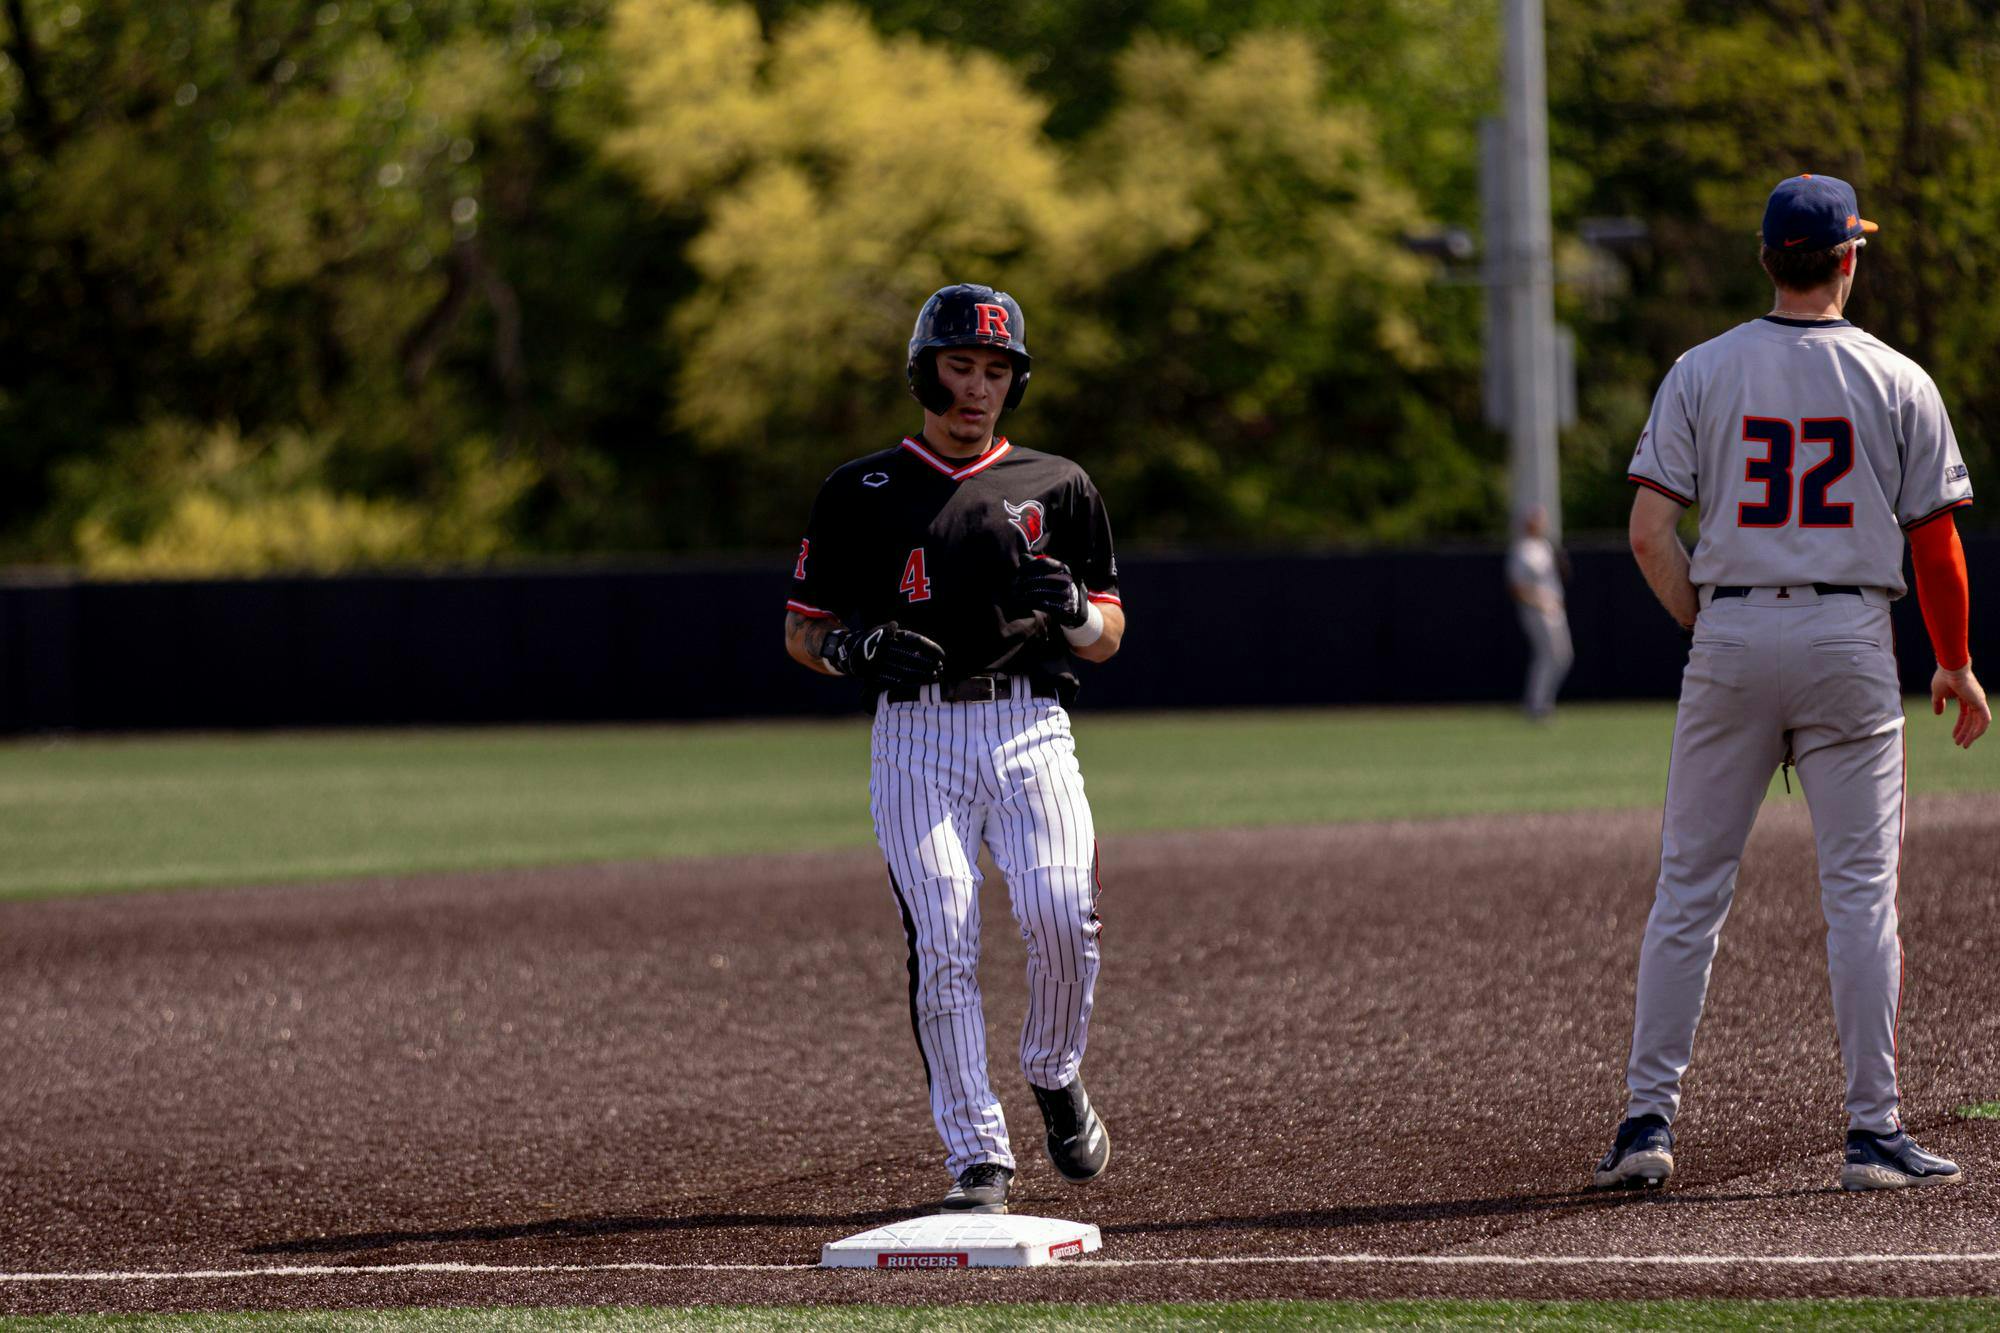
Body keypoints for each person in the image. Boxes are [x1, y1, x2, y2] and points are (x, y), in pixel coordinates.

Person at [1595, 174, 1988, 1193]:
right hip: (1847, 633)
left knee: (1688, 890)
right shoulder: (1895, 376)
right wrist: (1952, 659)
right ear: (1847, 258)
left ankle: (1644, 1124)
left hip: (1730, 625)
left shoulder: (1700, 368)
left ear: (1767, 258)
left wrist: (1715, 627)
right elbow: (1934, 542)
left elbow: (1648, 533)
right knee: (1859, 897)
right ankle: (1871, 1132)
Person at [782, 283, 1124, 1215]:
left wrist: (1077, 611)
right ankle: (978, 1156)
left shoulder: (1060, 484)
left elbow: (1109, 635)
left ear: (1016, 384)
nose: (977, 387)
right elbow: (801, 629)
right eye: (960, 366)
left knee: (1064, 913)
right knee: (943, 935)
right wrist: (853, 649)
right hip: (916, 735)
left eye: (996, 372)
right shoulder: (858, 489)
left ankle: (1053, 1069)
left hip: (1029, 726)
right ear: (923, 372)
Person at [1507, 505, 1573, 719]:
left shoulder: (1544, 546)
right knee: (1548, 655)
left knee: (1563, 657)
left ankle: (1543, 702)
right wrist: (1539, 602)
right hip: (1536, 610)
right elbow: (1517, 587)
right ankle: (1536, 704)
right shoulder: (1522, 550)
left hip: (1554, 608)